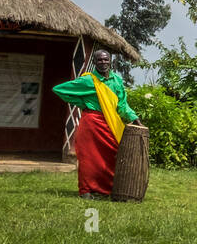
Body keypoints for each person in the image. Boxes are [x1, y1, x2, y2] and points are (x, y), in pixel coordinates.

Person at [52, 49, 140, 199]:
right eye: (99, 60)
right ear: (94, 62)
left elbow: (122, 105)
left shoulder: (117, 80)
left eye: (106, 60)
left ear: (111, 61)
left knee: (113, 155)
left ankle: (107, 189)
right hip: (92, 122)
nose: (103, 62)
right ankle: (86, 190)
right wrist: (82, 103)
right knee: (89, 157)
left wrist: (134, 118)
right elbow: (59, 89)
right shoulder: (88, 81)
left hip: (111, 123)